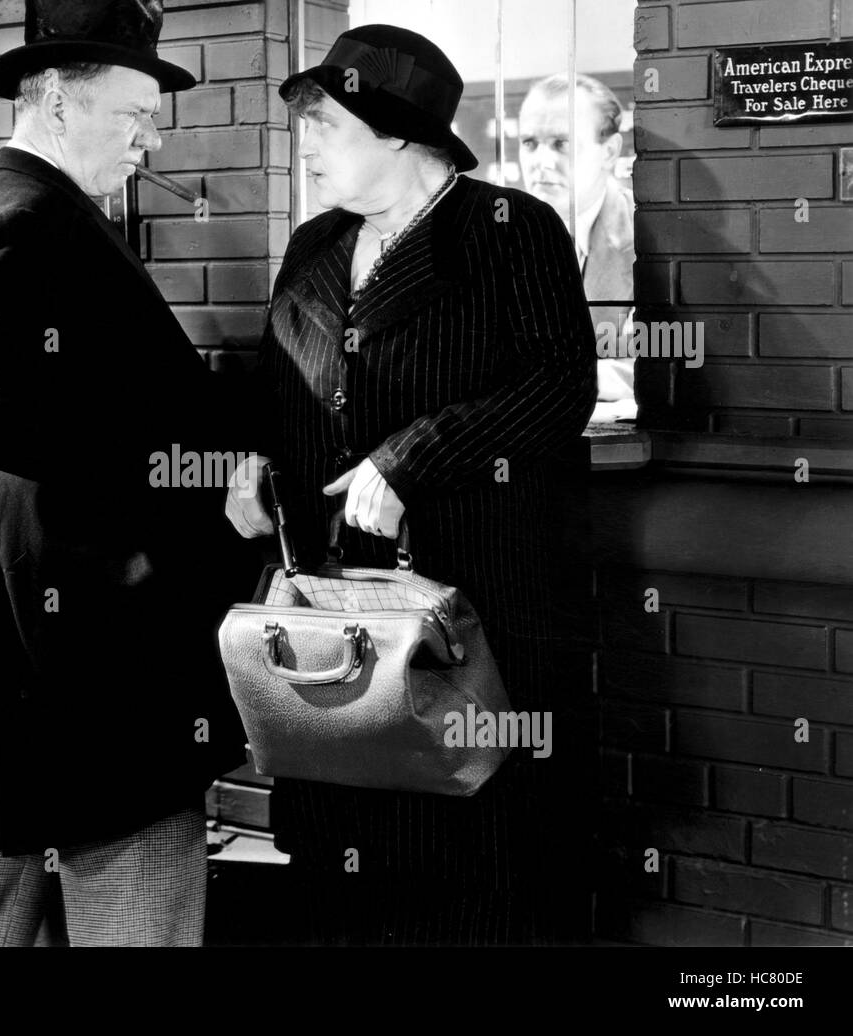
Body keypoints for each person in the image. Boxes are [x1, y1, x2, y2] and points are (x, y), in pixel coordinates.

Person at [226, 25, 597, 945]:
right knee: (337, 851)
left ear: (395, 131)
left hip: (474, 610)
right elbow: (277, 389)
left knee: (473, 856)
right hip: (332, 614)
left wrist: (408, 460)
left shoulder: (511, 229)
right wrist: (247, 458)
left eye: (325, 123)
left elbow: (560, 385)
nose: (304, 143)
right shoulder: (314, 243)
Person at [0, 0, 248, 947]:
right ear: (55, 98)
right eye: (134, 114)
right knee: (129, 858)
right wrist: (180, 466)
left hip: (34, 603)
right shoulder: (31, 216)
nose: (150, 141)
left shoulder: (10, 208)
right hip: (87, 611)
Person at [518, 73, 636, 414]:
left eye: (561, 144)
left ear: (609, 151)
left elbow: (654, 363)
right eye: (529, 143)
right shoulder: (495, 241)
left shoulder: (647, 240)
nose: (541, 161)